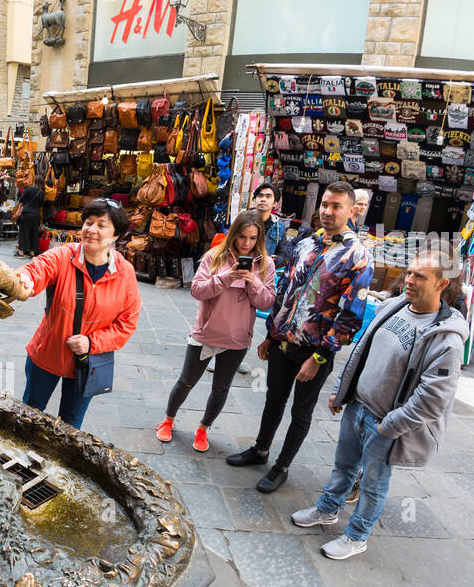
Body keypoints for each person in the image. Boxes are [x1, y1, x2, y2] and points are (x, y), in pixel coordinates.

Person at [290, 250, 469, 559]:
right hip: (358, 407)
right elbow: (362, 351)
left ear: (441, 284)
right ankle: (327, 509)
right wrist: (342, 390)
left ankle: (357, 536)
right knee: (344, 467)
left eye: (419, 276)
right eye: (409, 272)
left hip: (385, 425)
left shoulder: (447, 340)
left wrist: (390, 426)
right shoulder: (394, 306)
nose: (408, 280)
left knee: (372, 484)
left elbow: (433, 399)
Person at [227, 180, 372, 493]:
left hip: (314, 351)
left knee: (300, 411)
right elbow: (285, 292)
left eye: (336, 206)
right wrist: (271, 335)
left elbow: (350, 317)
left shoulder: (356, 257)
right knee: (273, 400)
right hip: (282, 342)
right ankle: (261, 450)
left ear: (350, 211)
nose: (328, 211)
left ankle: (282, 466)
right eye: (325, 205)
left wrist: (320, 357)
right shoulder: (305, 242)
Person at [11, 198, 140, 429]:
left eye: (101, 225)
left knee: (70, 427)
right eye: (88, 222)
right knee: (28, 416)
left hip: (87, 361)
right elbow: (38, 268)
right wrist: (23, 278)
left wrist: (92, 342)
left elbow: (127, 323)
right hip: (47, 354)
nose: (91, 230)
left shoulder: (125, 273)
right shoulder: (63, 256)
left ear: (116, 235)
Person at [156, 211, 276, 451]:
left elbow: (267, 302)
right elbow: (197, 290)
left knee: (221, 387)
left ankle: (203, 428)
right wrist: (225, 277)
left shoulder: (265, 264)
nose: (246, 243)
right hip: (206, 333)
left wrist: (253, 282)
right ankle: (168, 419)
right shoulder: (215, 256)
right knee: (186, 381)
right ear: (233, 235)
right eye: (242, 237)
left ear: (259, 239)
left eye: (252, 238)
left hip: (237, 338)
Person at [252, 183, 293, 262]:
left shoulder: (279, 226)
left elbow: (282, 252)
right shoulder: (243, 220)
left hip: (265, 270)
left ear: (275, 203)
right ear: (255, 199)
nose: (263, 199)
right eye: (260, 196)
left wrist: (274, 261)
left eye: (268, 196)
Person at [15, 179, 44, 257]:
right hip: (36, 215)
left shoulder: (29, 189)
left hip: (26, 213)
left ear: (34, 181)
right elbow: (41, 204)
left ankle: (21, 252)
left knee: (23, 232)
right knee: (34, 233)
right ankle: (32, 252)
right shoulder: (41, 192)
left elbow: (21, 199)